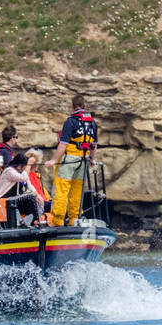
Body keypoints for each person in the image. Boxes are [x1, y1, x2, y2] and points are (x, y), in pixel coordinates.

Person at [47, 96, 98, 227]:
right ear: (84, 105)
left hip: (69, 159)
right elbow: (94, 145)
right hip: (83, 160)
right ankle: (74, 219)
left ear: (73, 106)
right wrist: (92, 160)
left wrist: (53, 160)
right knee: (77, 190)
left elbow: (63, 144)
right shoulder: (92, 123)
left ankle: (57, 221)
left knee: (62, 189)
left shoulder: (71, 121)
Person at [0, 152, 45, 226]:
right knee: (30, 197)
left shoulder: (22, 172)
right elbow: (23, 178)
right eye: (24, 167)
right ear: (19, 166)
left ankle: (35, 220)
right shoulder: (9, 171)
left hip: (16, 200)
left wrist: (37, 195)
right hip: (6, 199)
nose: (26, 169)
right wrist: (28, 164)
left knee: (34, 199)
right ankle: (34, 221)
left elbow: (29, 184)